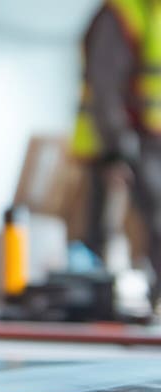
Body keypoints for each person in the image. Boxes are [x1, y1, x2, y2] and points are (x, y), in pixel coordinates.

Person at [73, 0, 161, 309]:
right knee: (103, 232)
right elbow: (105, 85)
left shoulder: (152, 13)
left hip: (148, 139)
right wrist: (117, 150)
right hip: (124, 141)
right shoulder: (121, 13)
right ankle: (94, 305)